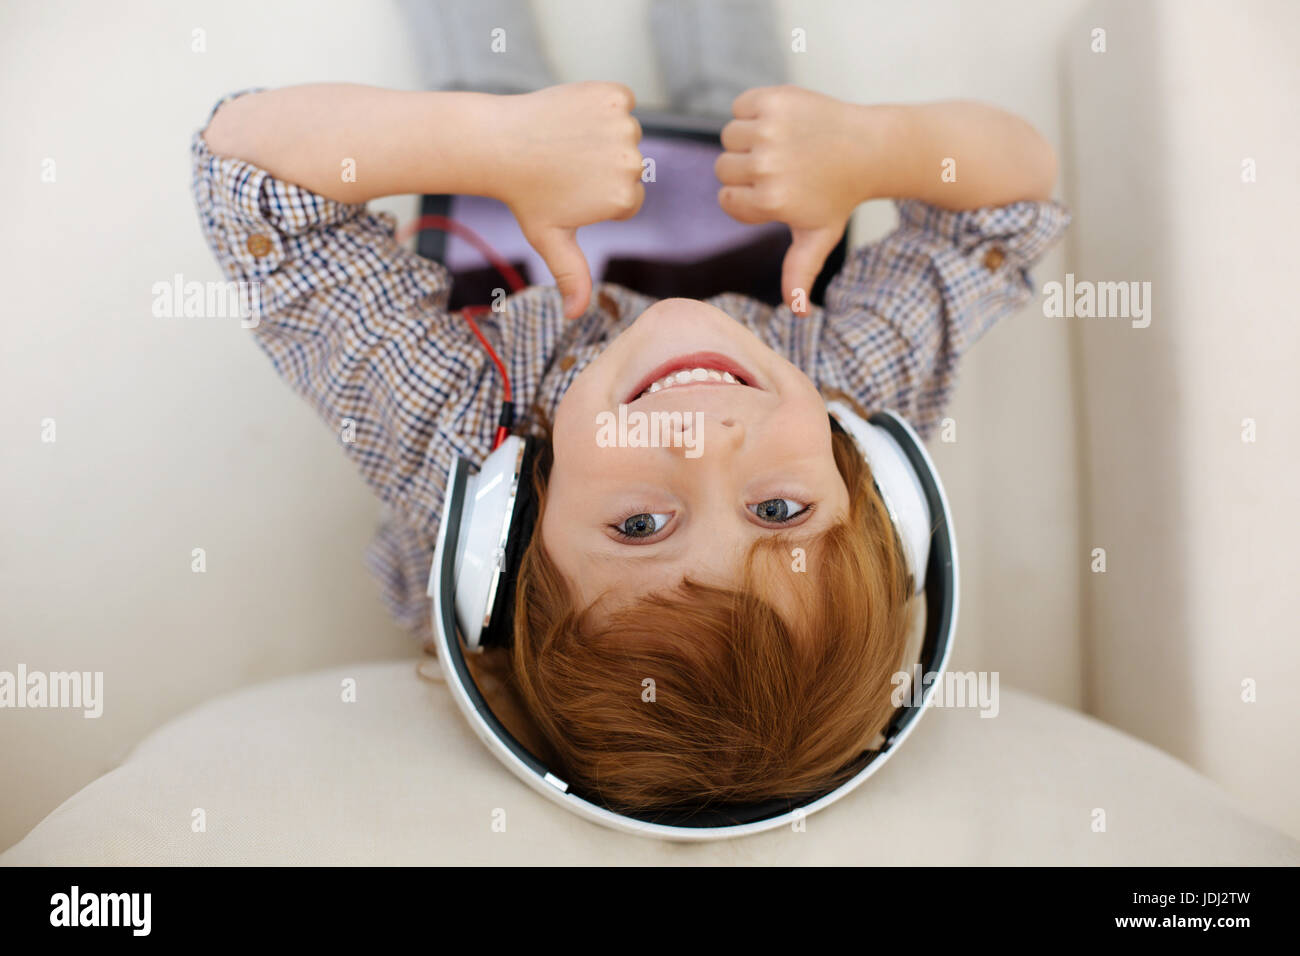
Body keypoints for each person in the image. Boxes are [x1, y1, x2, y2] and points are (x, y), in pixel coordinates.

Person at [193, 81, 1068, 811]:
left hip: (514, 219)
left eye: (642, 524)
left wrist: (488, 137)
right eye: (777, 509)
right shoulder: (847, 388)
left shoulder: (450, 426)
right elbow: (1016, 197)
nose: (706, 442)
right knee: (737, 99)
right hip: (735, 205)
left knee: (484, 69)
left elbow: (241, 166)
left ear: (514, 531)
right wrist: (875, 148)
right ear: (866, 481)